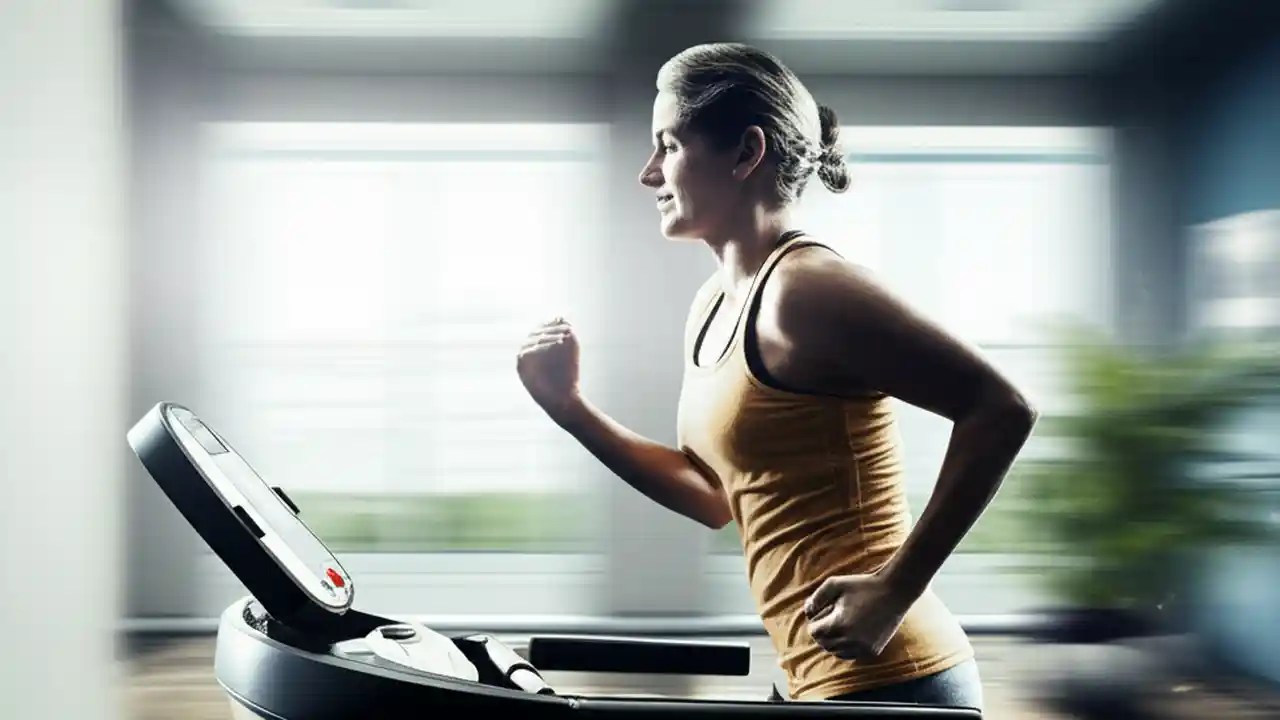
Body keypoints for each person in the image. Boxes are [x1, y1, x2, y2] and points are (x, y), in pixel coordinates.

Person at [515, 42, 1037, 710]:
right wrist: (571, 409)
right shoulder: (715, 303)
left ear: (745, 153)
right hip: (813, 679)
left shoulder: (807, 291)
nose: (649, 173)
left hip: (894, 680)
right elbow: (712, 496)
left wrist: (894, 589)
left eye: (668, 145)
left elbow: (1001, 407)